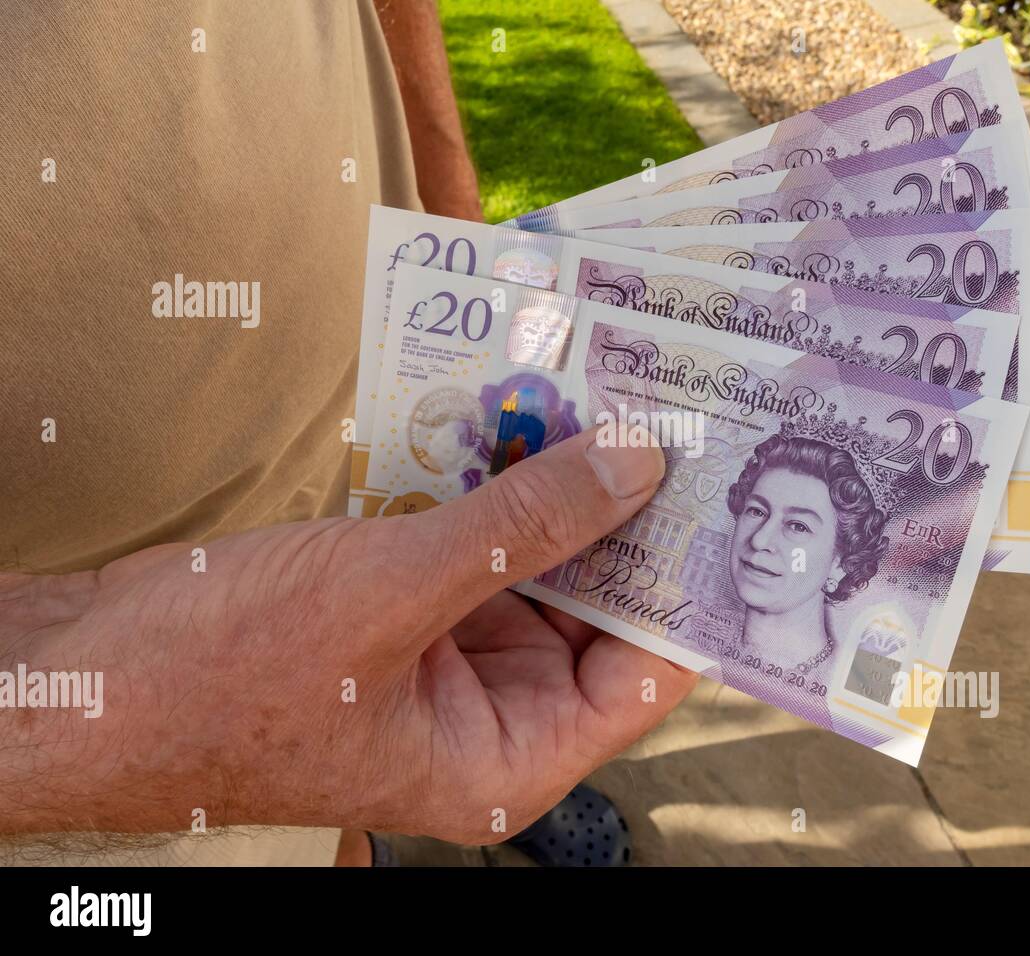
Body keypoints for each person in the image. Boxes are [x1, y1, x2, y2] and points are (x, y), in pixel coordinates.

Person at [0, 0, 695, 866]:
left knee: (405, 732)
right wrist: (54, 724)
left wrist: (454, 211)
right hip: (82, 718)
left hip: (355, 424)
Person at [724, 434, 890, 682]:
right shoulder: (694, 637)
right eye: (757, 511)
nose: (759, 540)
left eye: (798, 526)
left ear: (842, 563)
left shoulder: (855, 682)